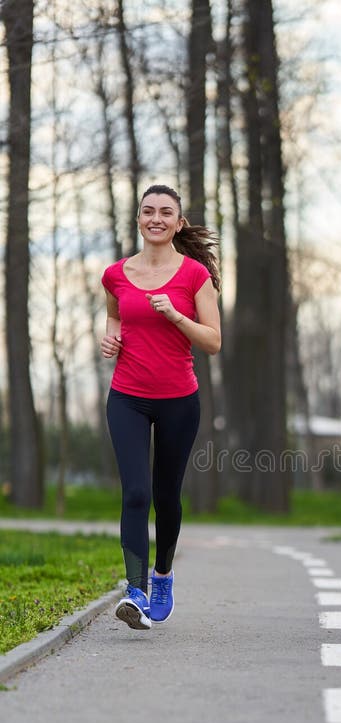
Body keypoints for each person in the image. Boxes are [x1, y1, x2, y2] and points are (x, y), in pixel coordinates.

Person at [101, 185, 221, 630]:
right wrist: (111, 336)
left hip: (178, 400)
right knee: (136, 493)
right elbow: (116, 314)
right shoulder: (115, 274)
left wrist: (176, 316)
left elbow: (213, 341)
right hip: (127, 396)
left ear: (178, 222)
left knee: (167, 496)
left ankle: (163, 575)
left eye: (165, 212)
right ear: (138, 219)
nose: (156, 218)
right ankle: (135, 591)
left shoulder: (193, 276)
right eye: (148, 211)